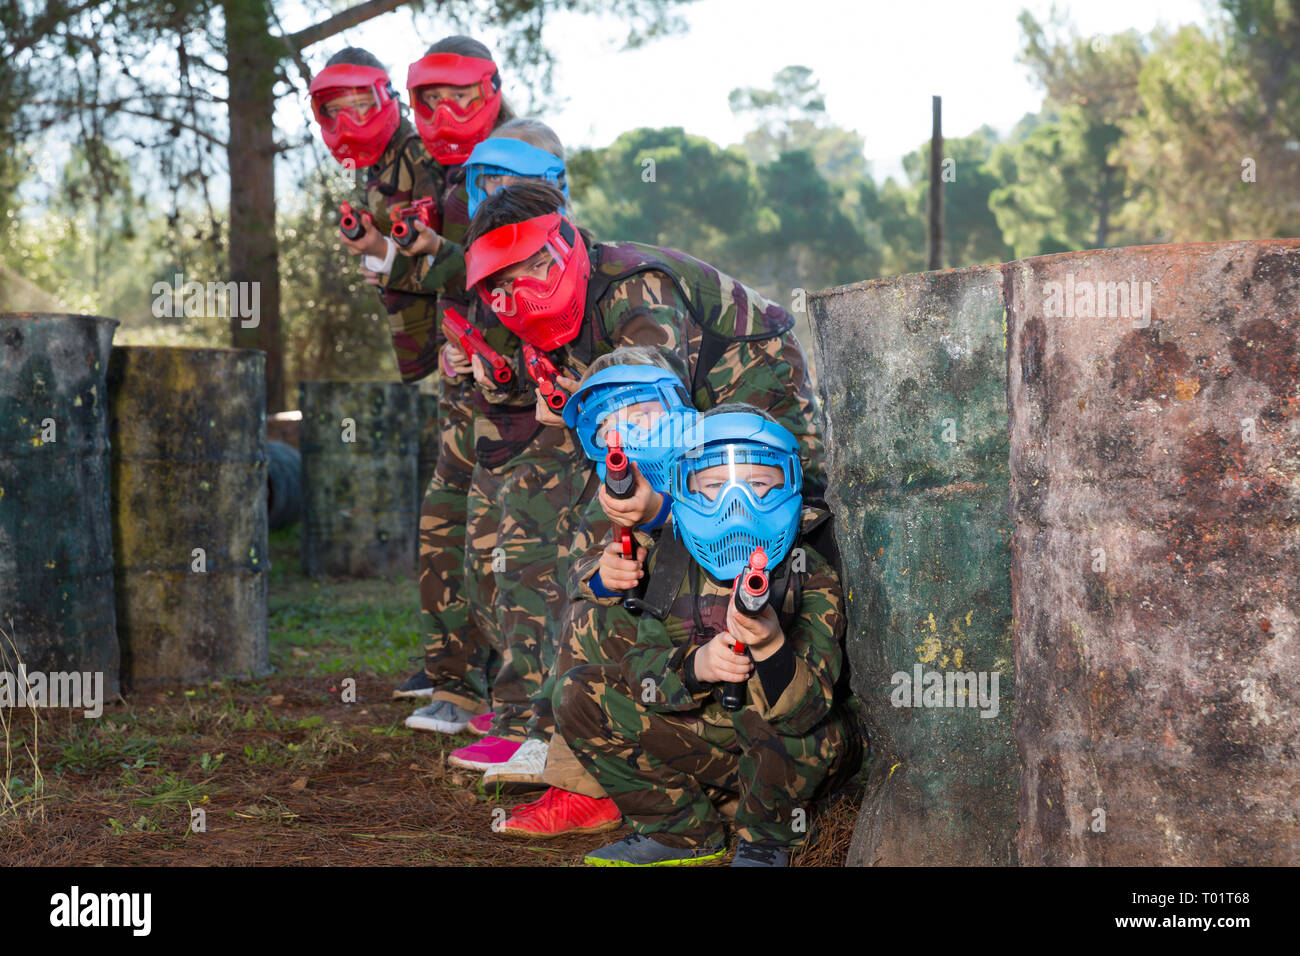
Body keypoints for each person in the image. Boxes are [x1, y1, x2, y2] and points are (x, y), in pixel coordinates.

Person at [443, 180, 824, 791]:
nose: (523, 293)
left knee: (622, 541)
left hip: (753, 404)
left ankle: (589, 757)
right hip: (677, 417)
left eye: (537, 267)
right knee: (572, 532)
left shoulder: (634, 288)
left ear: (566, 243)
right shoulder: (539, 309)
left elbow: (652, 410)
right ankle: (569, 725)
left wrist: (633, 501)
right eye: (504, 285)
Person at [557, 406, 855, 866]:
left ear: (789, 483)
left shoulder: (807, 571)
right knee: (579, 692)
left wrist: (771, 645)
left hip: (785, 762)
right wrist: (696, 667)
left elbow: (808, 714)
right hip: (711, 747)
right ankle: (680, 832)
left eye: (758, 484)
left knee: (814, 729)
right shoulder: (672, 560)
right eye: (715, 486)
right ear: (686, 489)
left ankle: (767, 840)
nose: (737, 504)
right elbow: (642, 668)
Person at [495, 345, 694, 835]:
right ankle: (587, 788)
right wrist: (605, 576)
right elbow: (585, 569)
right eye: (610, 424)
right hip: (670, 682)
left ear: (678, 412)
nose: (627, 433)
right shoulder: (612, 495)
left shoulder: (719, 463)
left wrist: (663, 514)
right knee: (590, 612)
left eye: (643, 414)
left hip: (735, 674)